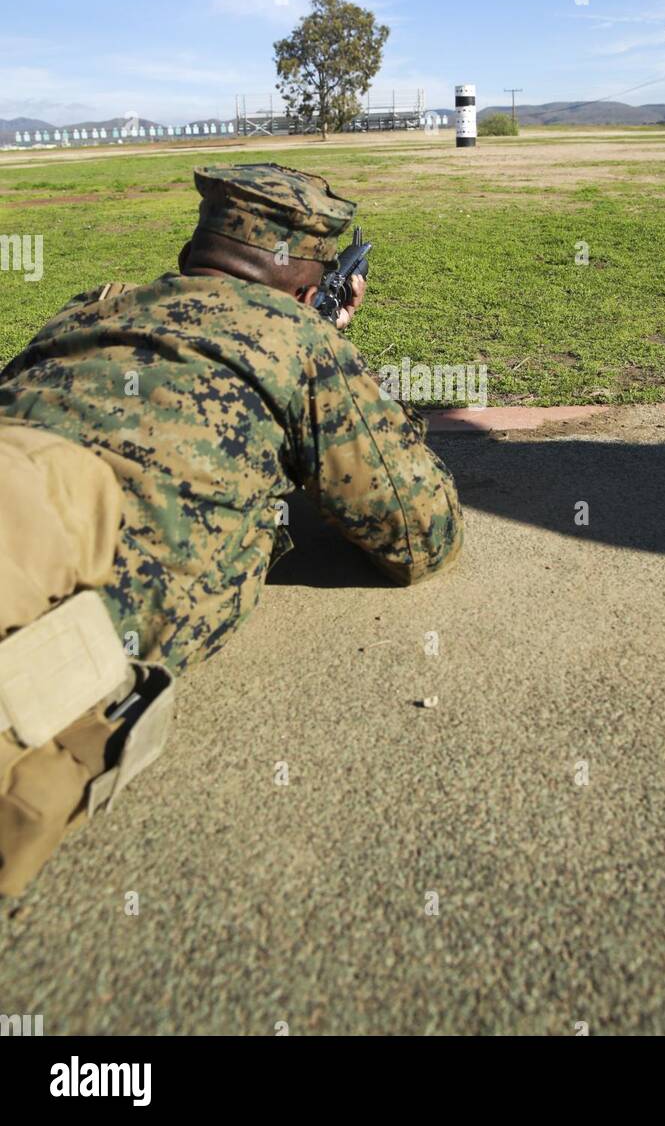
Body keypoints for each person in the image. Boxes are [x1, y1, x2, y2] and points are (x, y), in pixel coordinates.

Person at [0, 162, 463, 894]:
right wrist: (331, 350)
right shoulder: (298, 337)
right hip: (52, 616)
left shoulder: (85, 312)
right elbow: (417, 534)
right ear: (311, 291)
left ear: (196, 255)